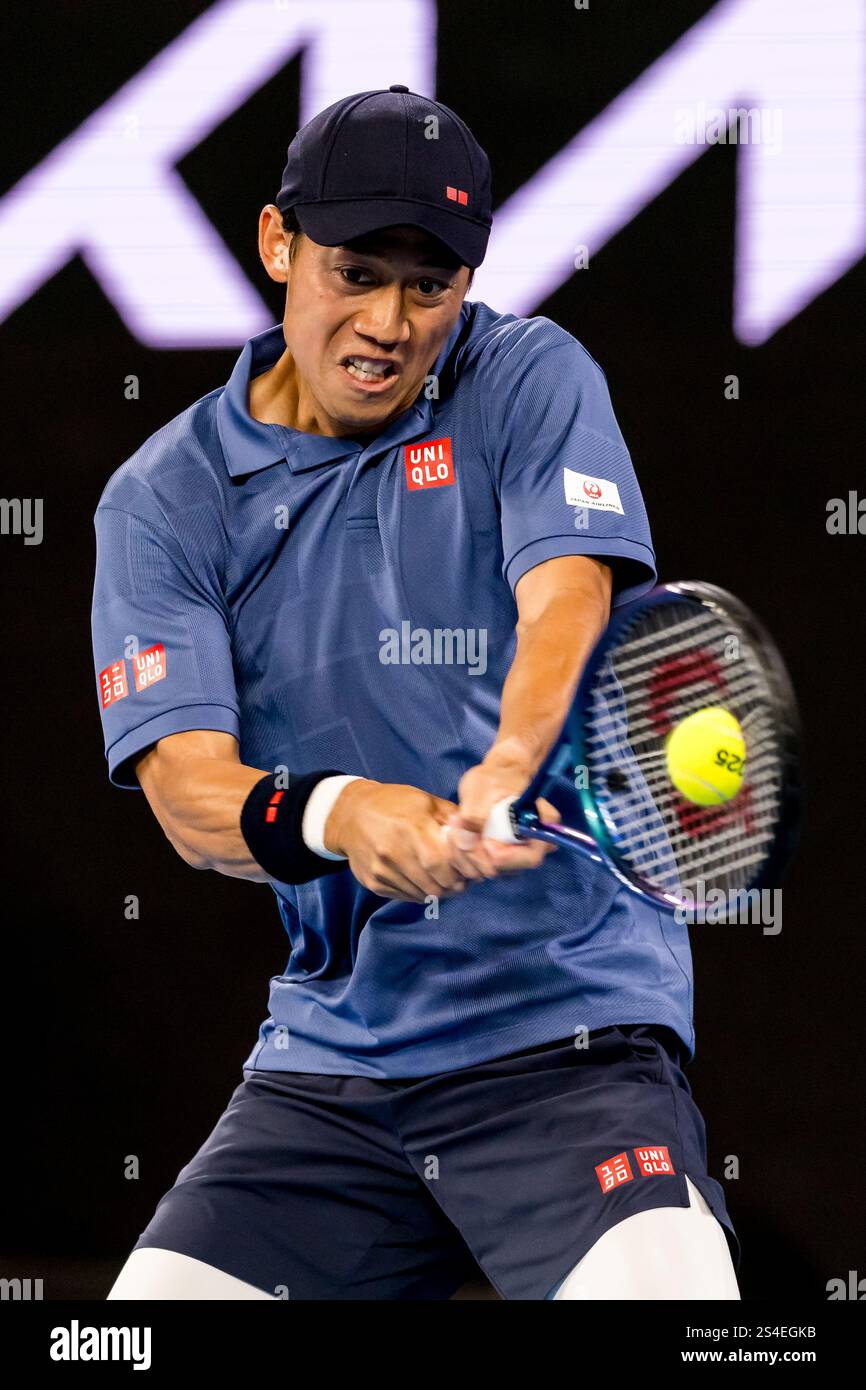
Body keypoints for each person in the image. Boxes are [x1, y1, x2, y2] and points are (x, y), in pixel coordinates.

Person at [93, 86, 740, 1300]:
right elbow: (188, 795)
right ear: (277, 244)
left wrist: (506, 765)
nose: (389, 321)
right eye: (356, 272)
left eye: (428, 285)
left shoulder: (527, 376)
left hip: (570, 1048)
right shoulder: (164, 500)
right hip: (330, 1070)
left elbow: (565, 600)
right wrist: (345, 814)